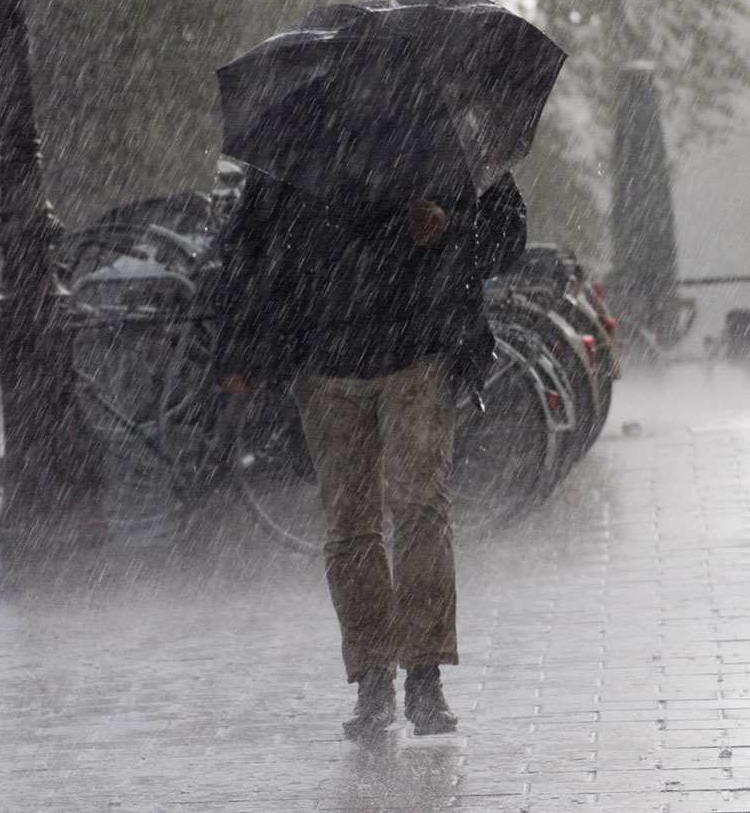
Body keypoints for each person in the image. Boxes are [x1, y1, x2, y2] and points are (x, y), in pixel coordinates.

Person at [213, 168, 527, 739]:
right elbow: (250, 244)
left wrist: (451, 227)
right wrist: (240, 347)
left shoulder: (443, 137)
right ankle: (373, 678)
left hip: (420, 348)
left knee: (420, 509)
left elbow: (507, 234)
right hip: (324, 358)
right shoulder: (296, 145)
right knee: (351, 525)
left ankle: (424, 675)